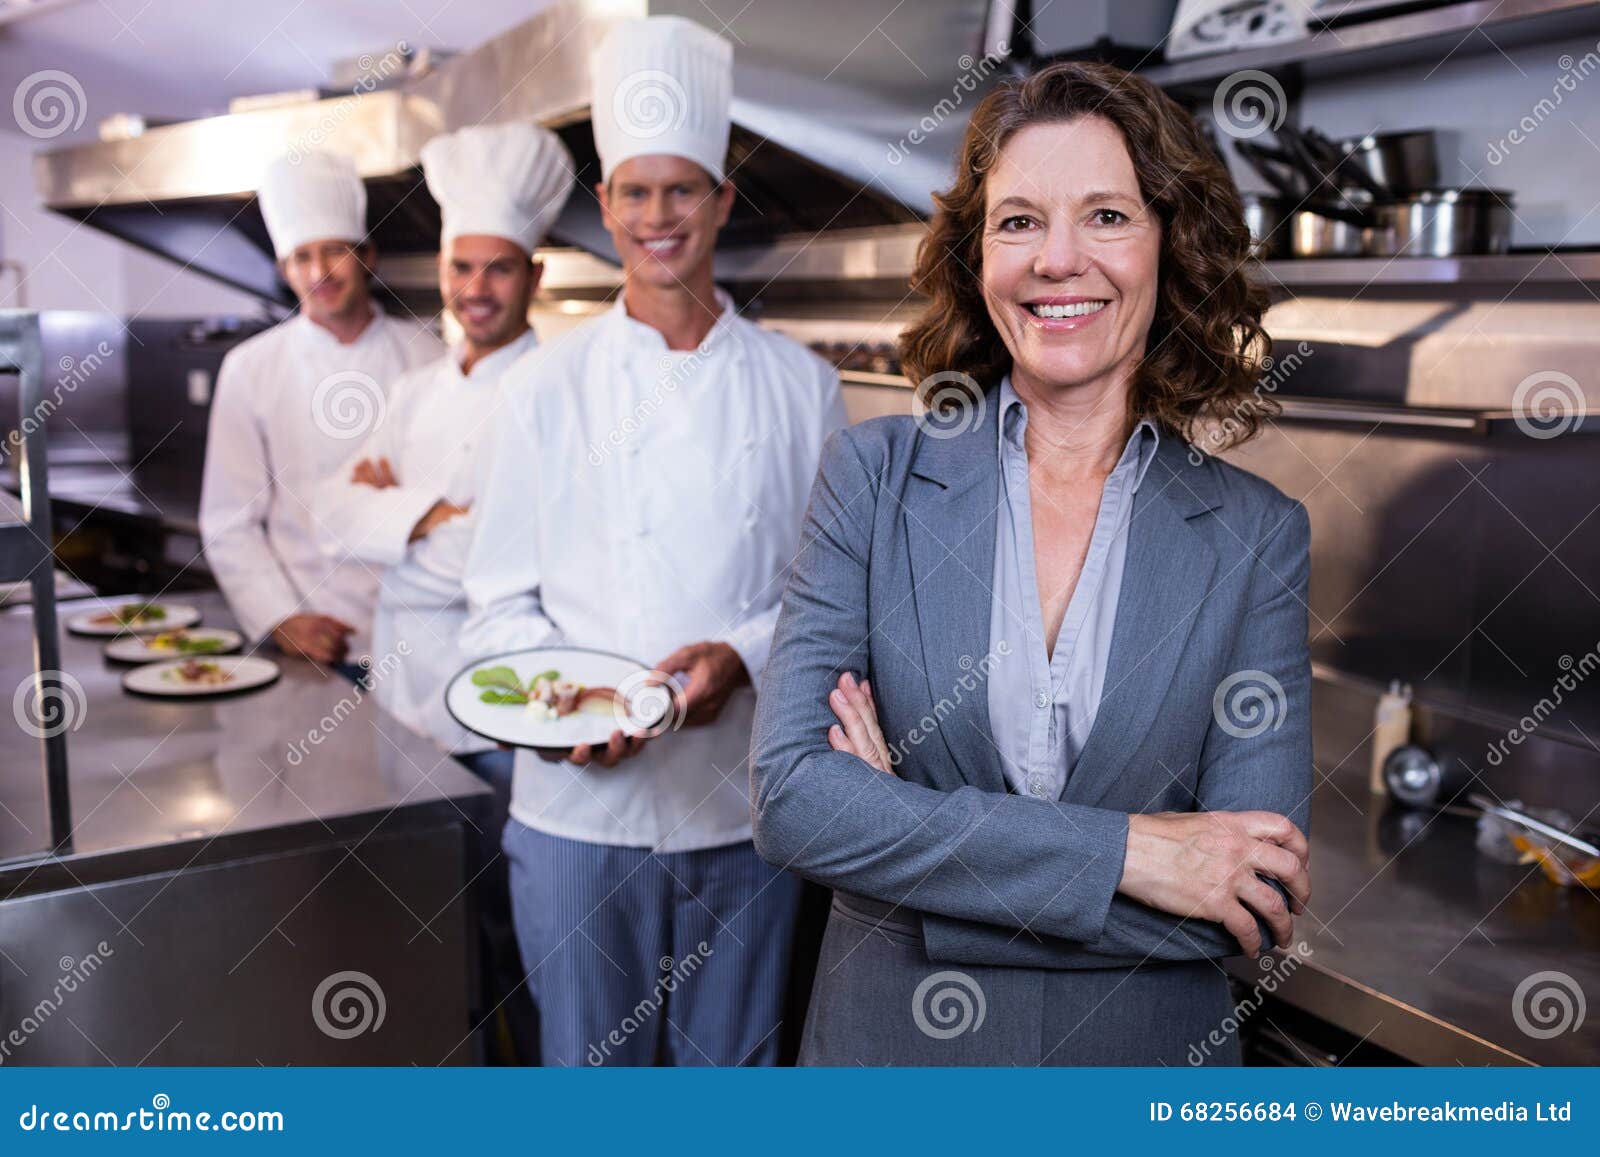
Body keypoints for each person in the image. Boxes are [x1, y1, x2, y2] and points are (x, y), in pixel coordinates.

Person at [749, 60, 1313, 1066]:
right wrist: (1134, 852)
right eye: (1018, 221)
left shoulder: (1256, 534)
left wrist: (903, 848)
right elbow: (795, 802)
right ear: (977, 258)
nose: (1058, 259)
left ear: (1170, 243)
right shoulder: (872, 478)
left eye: (1107, 216)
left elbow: (1251, 900)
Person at [460, 15, 845, 1067]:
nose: (657, 216)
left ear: (722, 199)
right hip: (579, 816)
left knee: (731, 1084)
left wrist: (743, 656)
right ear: (604, 207)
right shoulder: (544, 387)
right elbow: (496, 605)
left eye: (681, 190)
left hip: (744, 812)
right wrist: (565, 703)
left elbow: (831, 596)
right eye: (635, 192)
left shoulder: (802, 386)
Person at [311, 121, 576, 1063]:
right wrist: (437, 516)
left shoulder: (557, 386)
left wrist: (396, 522)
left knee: (517, 944)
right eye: (462, 267)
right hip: (402, 706)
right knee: (424, 938)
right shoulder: (416, 391)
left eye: (499, 269)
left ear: (533, 275)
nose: (476, 288)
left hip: (497, 719)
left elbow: (510, 561)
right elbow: (328, 513)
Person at [199, 151, 443, 673]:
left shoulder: (430, 356)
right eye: (302, 257)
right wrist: (281, 618)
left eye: (335, 251)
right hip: (314, 638)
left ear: (367, 256)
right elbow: (228, 519)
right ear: (284, 269)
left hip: (422, 631)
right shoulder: (250, 368)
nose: (319, 272)